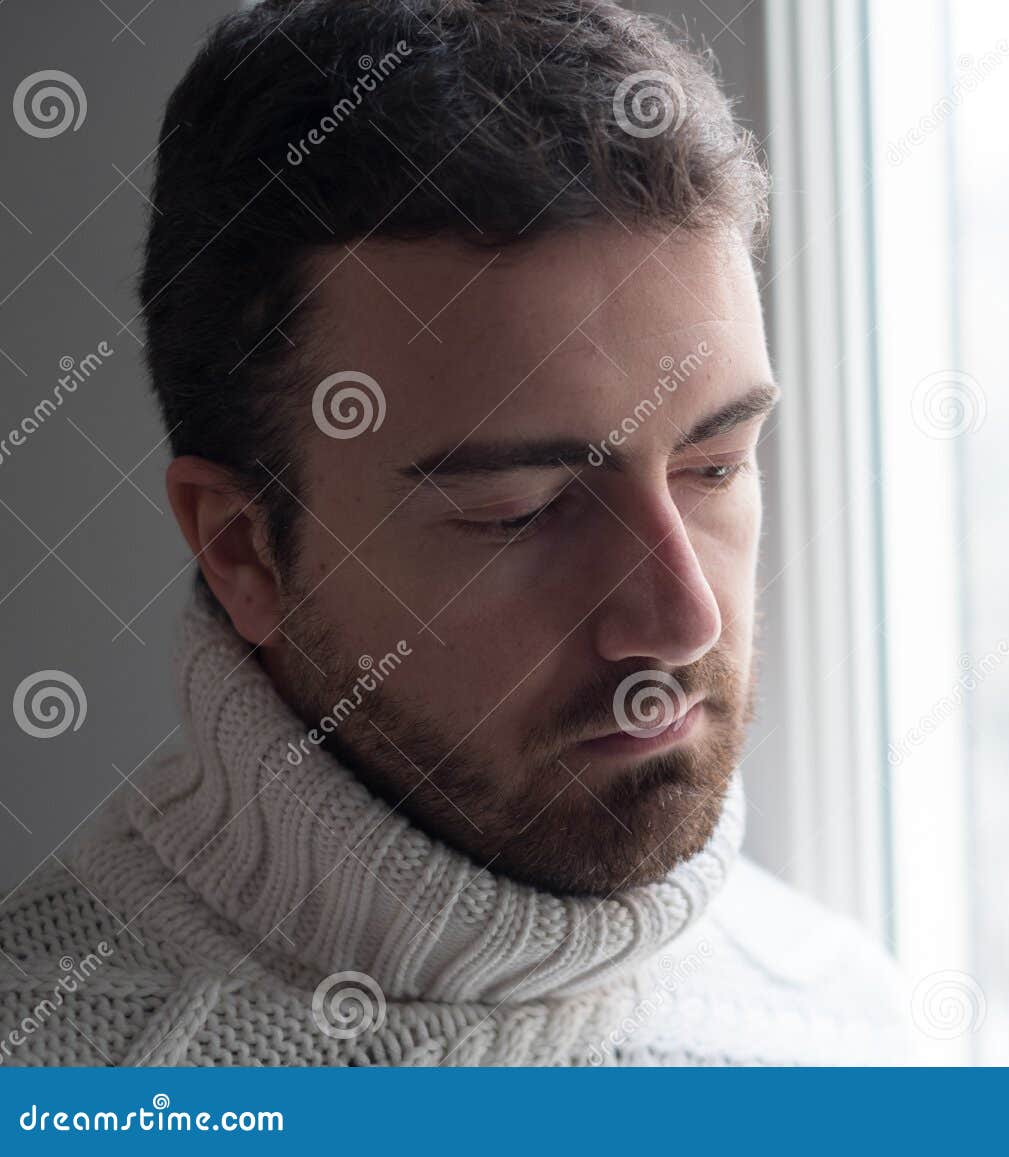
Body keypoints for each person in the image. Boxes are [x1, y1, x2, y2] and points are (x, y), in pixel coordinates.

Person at [0, 0, 907, 1066]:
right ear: (243, 549)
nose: (682, 617)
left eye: (714, 466)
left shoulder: (856, 1019)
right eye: (520, 509)